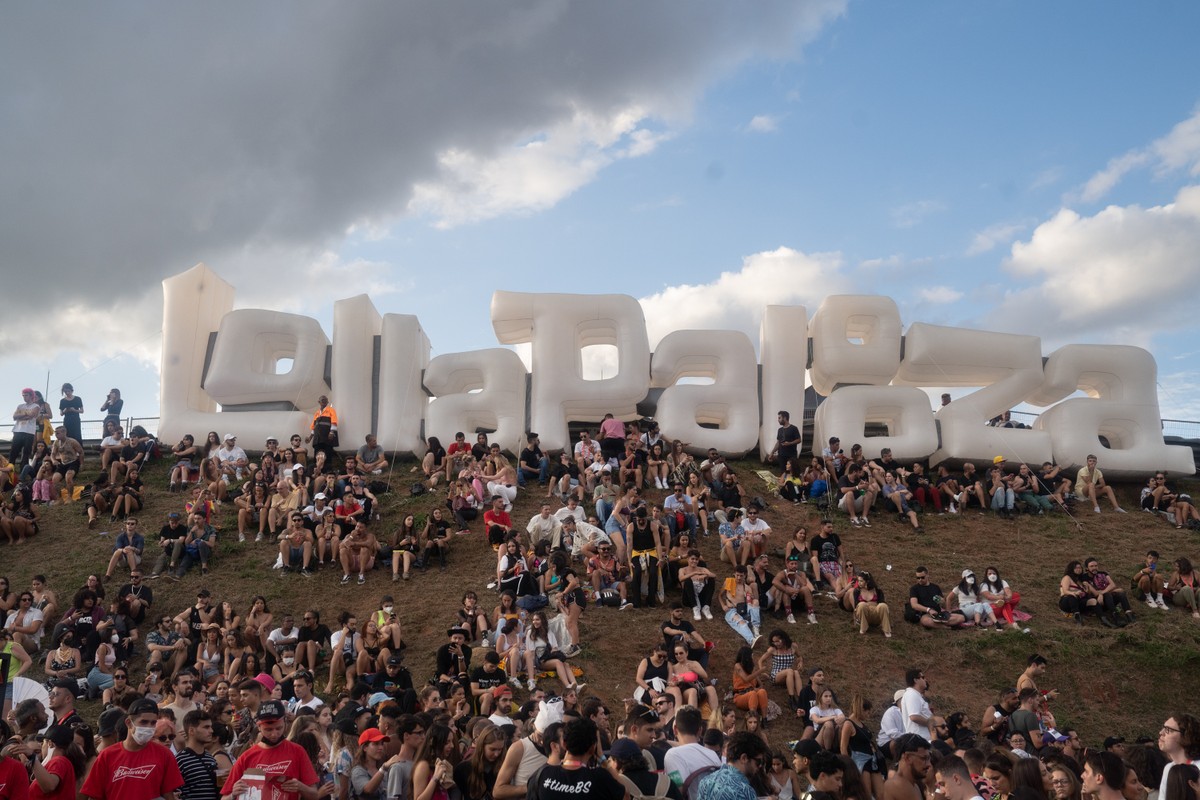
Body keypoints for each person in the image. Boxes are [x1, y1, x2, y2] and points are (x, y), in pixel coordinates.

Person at [81, 698, 185, 800]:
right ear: (129, 723)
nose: (148, 727)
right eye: (144, 722)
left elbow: (168, 795)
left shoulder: (165, 754)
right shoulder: (107, 755)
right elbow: (95, 795)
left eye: (153, 723)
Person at [694, 730, 772, 800]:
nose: (760, 766)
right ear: (744, 758)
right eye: (758, 762)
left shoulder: (706, 781)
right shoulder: (744, 791)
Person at [175, 710, 219, 800]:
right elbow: (175, 793)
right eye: (206, 727)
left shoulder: (210, 758)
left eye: (211, 727)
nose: (211, 731)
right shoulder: (180, 760)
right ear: (191, 731)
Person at [1084, 557, 1135, 628]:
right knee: (1108, 594)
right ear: (1087, 568)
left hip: (1108, 599)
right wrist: (1106, 591)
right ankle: (1116, 617)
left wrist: (1101, 593)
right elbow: (1095, 593)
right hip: (1098, 603)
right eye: (1091, 566)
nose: (1094, 568)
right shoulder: (1084, 577)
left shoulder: (1103, 573)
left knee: (1121, 594)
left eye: (1096, 566)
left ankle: (1129, 615)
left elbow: (1112, 585)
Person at [1159, 714, 1200, 800]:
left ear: (1185, 736)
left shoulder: (1198, 767)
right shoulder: (1168, 768)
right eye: (1163, 728)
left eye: (1168, 730)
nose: (1161, 733)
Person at [883, 734, 932, 800]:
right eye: (924, 758)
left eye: (929, 758)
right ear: (907, 758)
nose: (928, 764)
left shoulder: (914, 785)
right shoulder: (894, 785)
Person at [307, 395, 339, 463]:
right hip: (317, 438)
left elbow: (334, 422)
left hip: (327, 437)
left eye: (325, 400)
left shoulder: (331, 410)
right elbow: (314, 426)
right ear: (319, 402)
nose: (324, 401)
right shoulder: (317, 413)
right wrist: (310, 437)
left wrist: (332, 432)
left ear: (327, 401)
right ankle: (317, 470)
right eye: (322, 400)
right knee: (317, 455)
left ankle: (327, 471)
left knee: (328, 454)